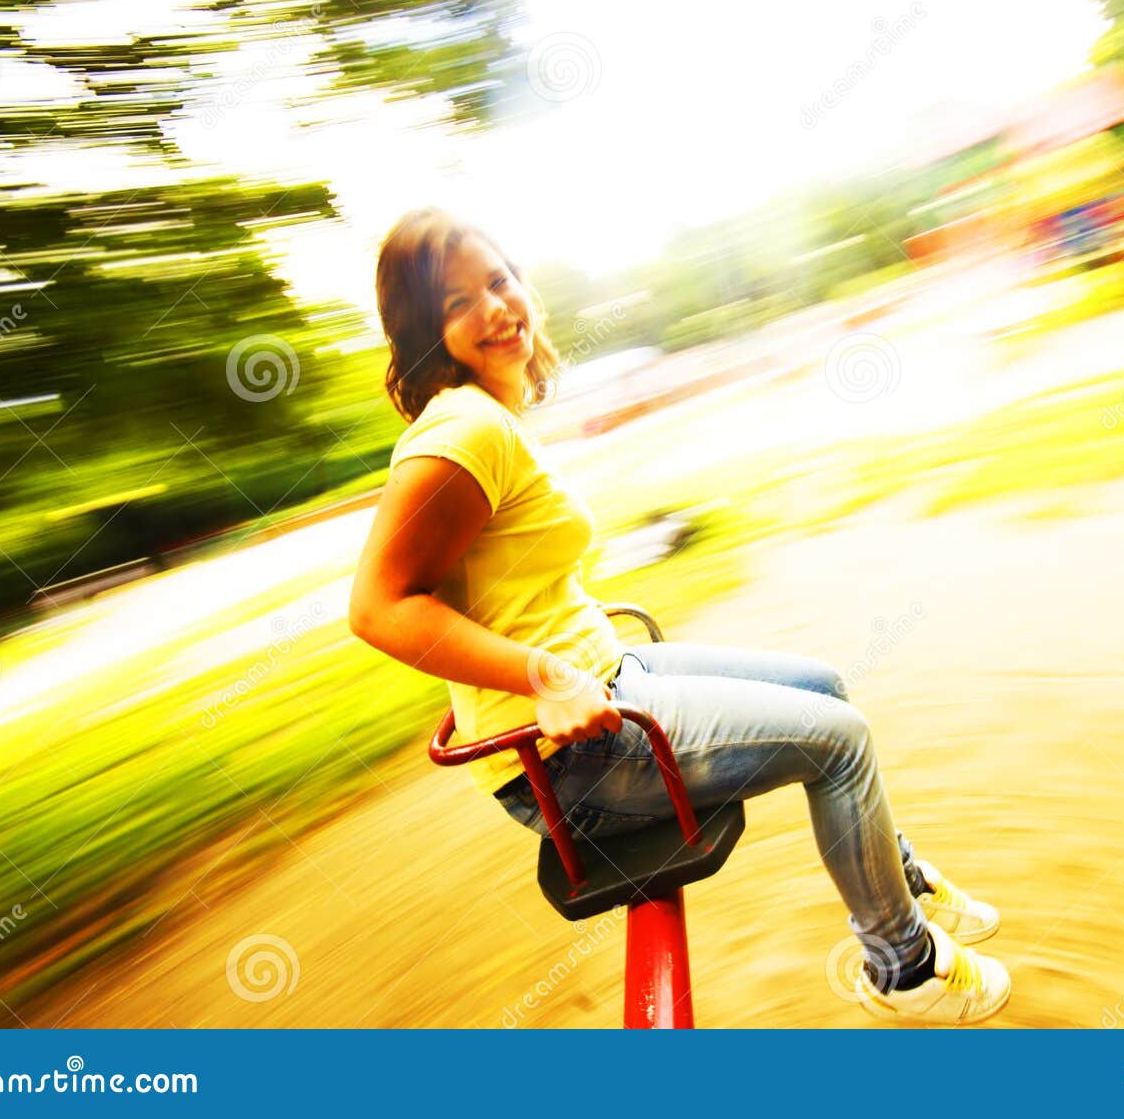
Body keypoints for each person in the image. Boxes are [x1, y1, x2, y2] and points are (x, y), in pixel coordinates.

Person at [348, 206, 1011, 1025]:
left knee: (827, 688)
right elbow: (377, 607)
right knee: (843, 743)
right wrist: (546, 677)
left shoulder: (492, 415)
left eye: (499, 279)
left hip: (604, 676)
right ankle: (903, 966)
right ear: (424, 333)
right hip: (568, 757)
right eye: (457, 302)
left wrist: (564, 660)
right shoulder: (465, 429)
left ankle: (893, 877)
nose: (494, 306)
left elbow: (505, 582)